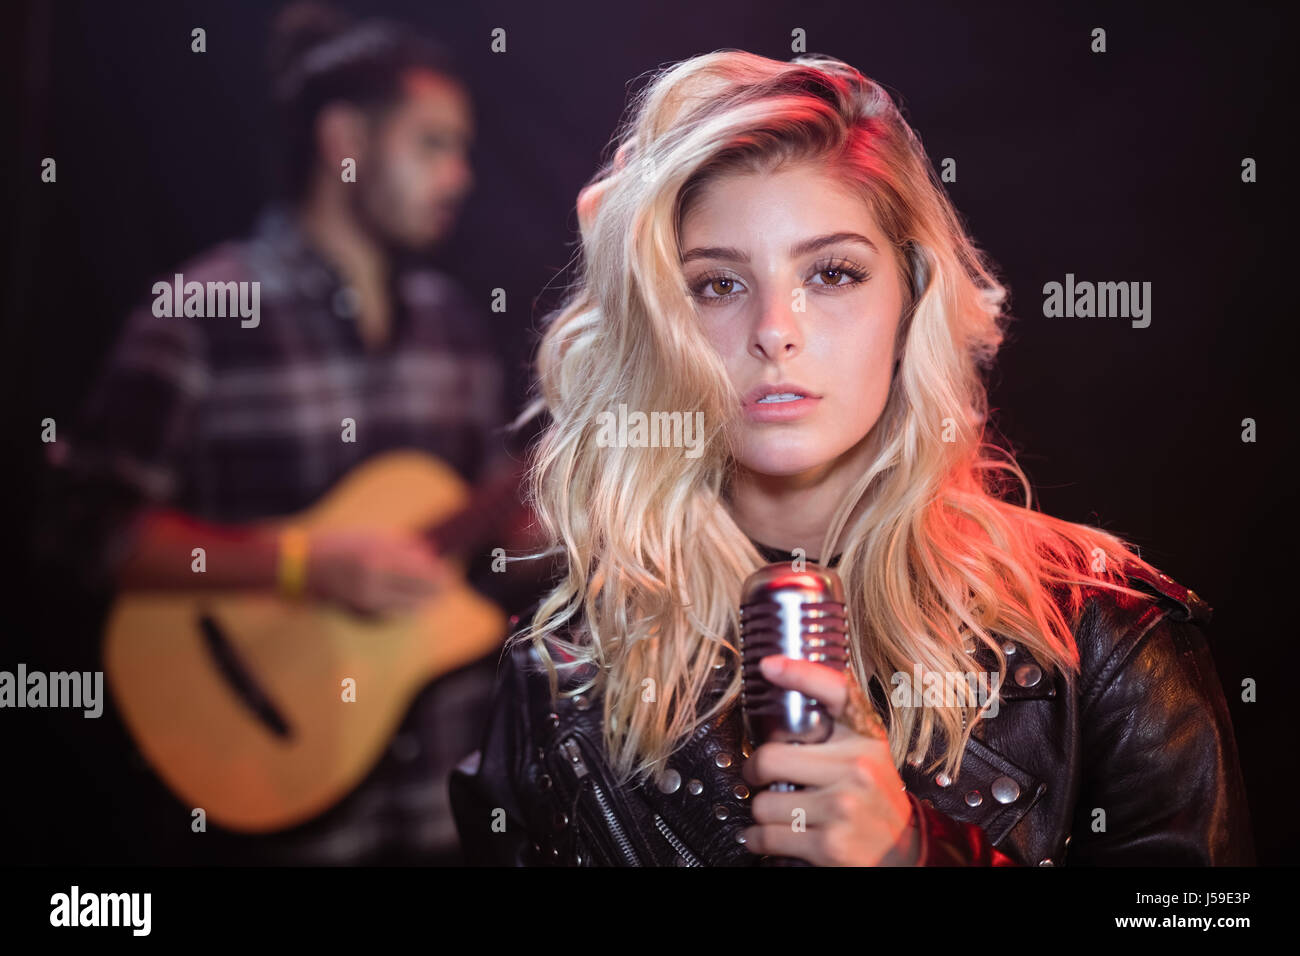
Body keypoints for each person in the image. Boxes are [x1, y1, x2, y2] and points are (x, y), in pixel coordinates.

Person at [448, 50, 1255, 866]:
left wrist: (916, 853)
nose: (775, 328)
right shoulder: (563, 673)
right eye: (716, 285)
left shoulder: (1100, 634)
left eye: (832, 273)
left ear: (910, 301)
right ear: (662, 323)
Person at [41, 3, 540, 865]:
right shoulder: (200, 312)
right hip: (267, 808)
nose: (459, 175)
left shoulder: (453, 325)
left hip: (435, 815)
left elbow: (492, 539)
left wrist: (560, 525)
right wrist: (305, 566)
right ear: (344, 139)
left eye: (461, 149)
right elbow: (87, 533)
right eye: (432, 144)